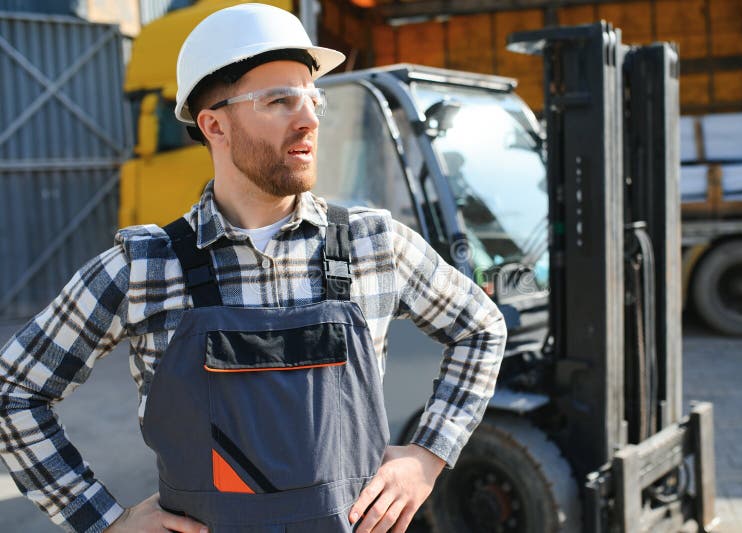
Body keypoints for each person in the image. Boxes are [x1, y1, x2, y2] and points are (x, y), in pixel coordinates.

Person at [0, 3, 506, 532]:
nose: (308, 117)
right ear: (214, 124)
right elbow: (13, 389)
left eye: (313, 98)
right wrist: (103, 520)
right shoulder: (143, 268)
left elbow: (483, 327)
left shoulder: (373, 245)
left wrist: (429, 454)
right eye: (279, 100)